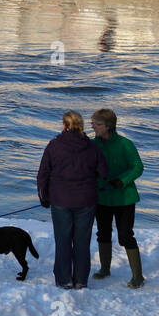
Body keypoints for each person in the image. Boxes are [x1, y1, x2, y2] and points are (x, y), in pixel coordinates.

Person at [37, 111, 108, 289]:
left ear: (64, 126)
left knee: (63, 241)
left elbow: (43, 174)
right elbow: (104, 173)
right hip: (87, 200)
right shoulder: (92, 147)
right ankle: (81, 280)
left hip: (60, 200)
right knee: (82, 242)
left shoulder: (54, 145)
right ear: (81, 126)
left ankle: (64, 280)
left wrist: (43, 196)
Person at [91, 108, 145, 288]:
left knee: (125, 236)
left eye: (97, 124)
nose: (93, 126)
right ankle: (105, 269)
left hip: (124, 198)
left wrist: (122, 181)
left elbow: (138, 167)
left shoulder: (125, 144)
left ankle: (138, 277)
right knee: (103, 234)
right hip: (102, 197)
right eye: (93, 123)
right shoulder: (93, 144)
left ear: (108, 126)